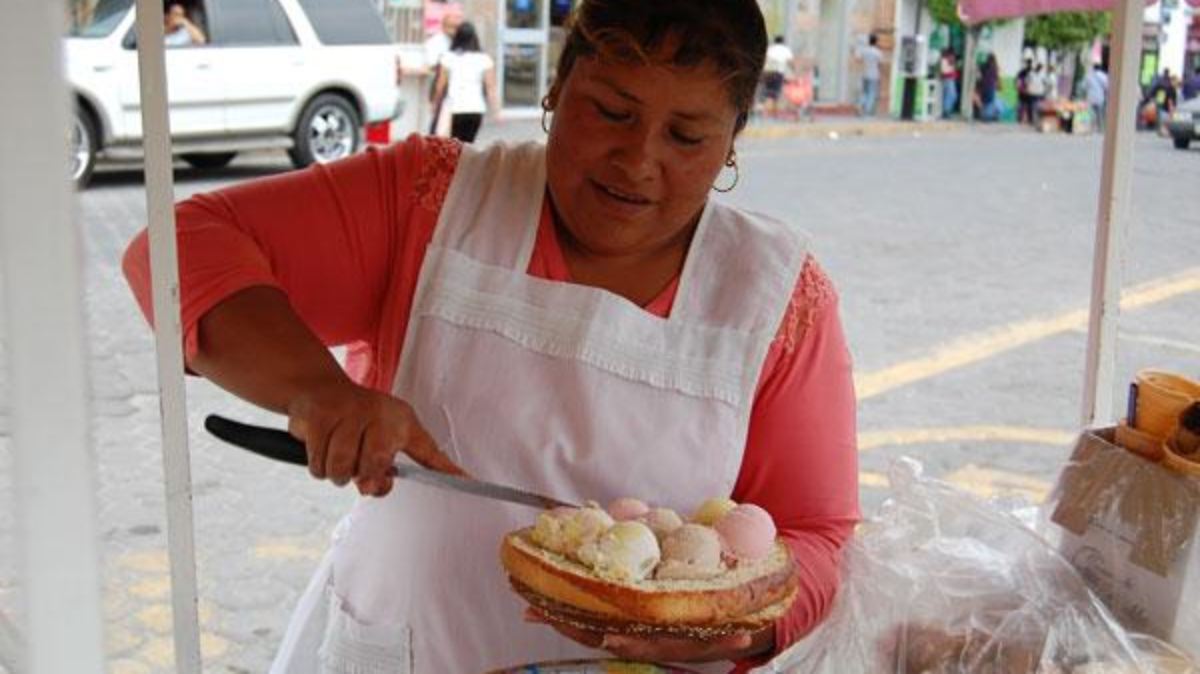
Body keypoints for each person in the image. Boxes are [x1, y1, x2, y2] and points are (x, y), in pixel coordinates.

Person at [122, 0, 859, 671]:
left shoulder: (776, 296)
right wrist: (317, 389)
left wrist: (742, 624)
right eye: (609, 112)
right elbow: (177, 250)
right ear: (556, 91)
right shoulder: (431, 202)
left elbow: (818, 532)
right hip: (405, 648)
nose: (638, 161)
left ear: (732, 142)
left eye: (687, 136)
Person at [432, 21, 498, 142]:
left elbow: (440, 86)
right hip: (476, 108)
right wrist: (496, 110)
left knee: (453, 146)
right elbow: (490, 87)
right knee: (468, 146)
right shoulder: (484, 59)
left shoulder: (447, 58)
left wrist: (435, 105)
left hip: (454, 108)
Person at [423, 7, 464, 135]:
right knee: (438, 129)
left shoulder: (463, 42)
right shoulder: (435, 42)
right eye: (452, 26)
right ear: (444, 24)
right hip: (442, 90)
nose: (455, 30)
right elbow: (431, 65)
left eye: (458, 26)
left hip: (460, 91)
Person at [762, 35, 795, 118]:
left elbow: (764, 59)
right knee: (775, 94)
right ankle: (773, 114)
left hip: (767, 73)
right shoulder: (785, 50)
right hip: (777, 72)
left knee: (768, 94)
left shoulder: (770, 49)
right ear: (783, 42)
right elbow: (790, 62)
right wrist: (794, 71)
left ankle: (766, 113)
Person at [856, 34, 883, 116]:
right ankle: (867, 110)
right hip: (874, 74)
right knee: (871, 93)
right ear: (876, 42)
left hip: (865, 73)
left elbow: (859, 59)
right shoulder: (878, 52)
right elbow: (880, 64)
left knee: (865, 92)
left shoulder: (865, 51)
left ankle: (859, 104)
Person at [976, 53, 1001, 122]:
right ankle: (986, 116)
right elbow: (997, 78)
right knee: (989, 102)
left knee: (985, 102)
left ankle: (984, 116)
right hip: (990, 87)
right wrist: (999, 85)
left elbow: (978, 70)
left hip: (984, 86)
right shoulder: (995, 67)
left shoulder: (984, 66)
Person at [1084, 64, 1108, 132]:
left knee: (1091, 114)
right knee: (1100, 114)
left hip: (1091, 97)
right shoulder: (1103, 76)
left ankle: (1092, 129)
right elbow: (1107, 86)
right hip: (1100, 97)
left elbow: (1085, 86)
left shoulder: (1089, 76)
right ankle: (1101, 129)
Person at [1024, 62, 1046, 127]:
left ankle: (1036, 119)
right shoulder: (1031, 74)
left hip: (1038, 92)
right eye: (1038, 67)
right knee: (1031, 107)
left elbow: (1026, 82)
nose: (1039, 68)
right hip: (1033, 92)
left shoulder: (1041, 74)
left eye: (1039, 67)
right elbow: (1026, 82)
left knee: (1038, 107)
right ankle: (1031, 120)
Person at [939, 49, 959, 119]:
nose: (953, 57)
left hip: (950, 80)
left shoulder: (949, 62)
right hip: (947, 80)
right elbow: (944, 71)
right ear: (949, 55)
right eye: (952, 56)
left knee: (951, 96)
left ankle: (947, 110)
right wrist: (952, 68)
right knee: (951, 96)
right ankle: (946, 111)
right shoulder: (944, 60)